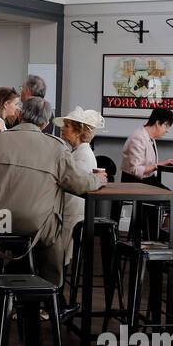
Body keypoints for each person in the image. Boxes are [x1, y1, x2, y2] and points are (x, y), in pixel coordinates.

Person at [0, 97, 106, 287]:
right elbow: (78, 183)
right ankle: (48, 294)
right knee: (53, 240)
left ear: (20, 116)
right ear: (45, 124)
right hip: (37, 225)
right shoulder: (56, 147)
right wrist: (97, 179)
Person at [52, 106, 106, 269]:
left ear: (78, 131)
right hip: (68, 210)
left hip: (72, 214)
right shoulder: (76, 152)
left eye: (67, 126)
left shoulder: (83, 155)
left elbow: (75, 185)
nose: (62, 128)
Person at [119, 106, 173, 229]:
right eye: (166, 126)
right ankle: (165, 240)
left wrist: (161, 164)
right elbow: (136, 170)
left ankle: (166, 239)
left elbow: (146, 165)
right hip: (136, 183)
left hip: (148, 182)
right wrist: (159, 165)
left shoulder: (149, 138)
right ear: (158, 123)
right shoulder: (138, 138)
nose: (167, 130)